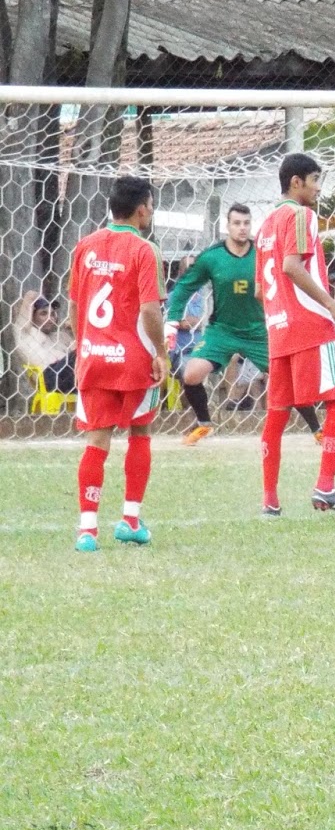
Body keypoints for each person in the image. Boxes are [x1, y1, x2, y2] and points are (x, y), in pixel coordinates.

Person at [67, 176, 168, 552]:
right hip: (133, 363)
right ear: (142, 208)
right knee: (140, 433)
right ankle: (129, 520)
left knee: (97, 440)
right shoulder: (144, 250)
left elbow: (75, 306)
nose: (152, 212)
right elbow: (149, 308)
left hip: (93, 359)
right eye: (152, 205)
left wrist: (84, 346)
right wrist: (160, 352)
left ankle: (87, 529)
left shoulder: (85, 246)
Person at [164, 202, 321, 445]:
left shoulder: (263, 252)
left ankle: (317, 430)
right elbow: (184, 287)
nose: (242, 228)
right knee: (191, 374)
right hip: (222, 331)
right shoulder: (212, 257)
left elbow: (286, 279)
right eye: (237, 223)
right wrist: (172, 320)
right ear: (227, 226)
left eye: (246, 223)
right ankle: (205, 424)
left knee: (288, 380)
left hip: (259, 331)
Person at [256, 152, 335, 516]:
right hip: (311, 324)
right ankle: (326, 487)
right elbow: (291, 267)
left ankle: (270, 500)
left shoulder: (265, 225)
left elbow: (260, 290)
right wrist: (331, 305)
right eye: (315, 180)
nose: (319, 189)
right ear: (296, 182)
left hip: (278, 329)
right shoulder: (302, 215)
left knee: (277, 413)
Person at [11, 292, 74, 393]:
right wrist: (44, 300)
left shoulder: (59, 336)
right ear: (32, 316)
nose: (50, 318)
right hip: (50, 378)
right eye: (43, 313)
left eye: (52, 314)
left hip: (71, 376)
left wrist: (75, 328)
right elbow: (30, 295)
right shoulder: (26, 332)